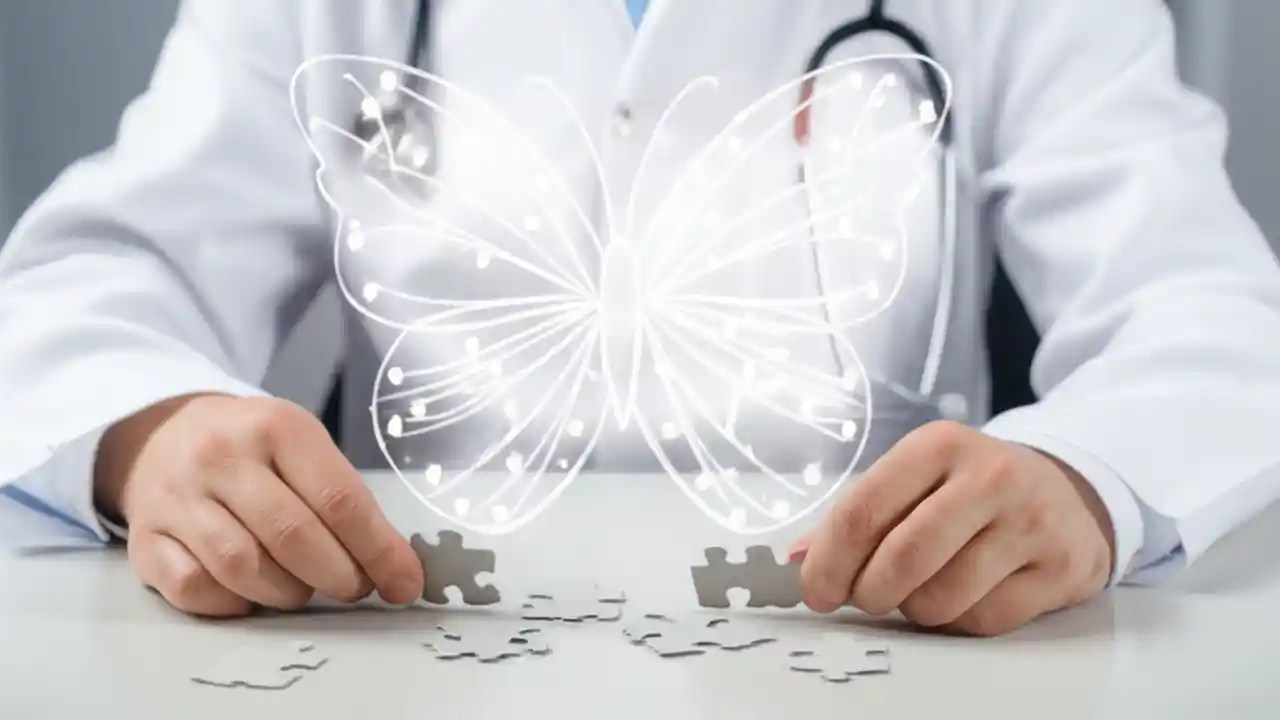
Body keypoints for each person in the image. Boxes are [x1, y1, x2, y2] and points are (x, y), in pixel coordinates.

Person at [2, 0, 1279, 637]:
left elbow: (1204, 307)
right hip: (411, 647)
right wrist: (147, 433)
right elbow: (90, 281)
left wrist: (1085, 475)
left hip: (886, 640)